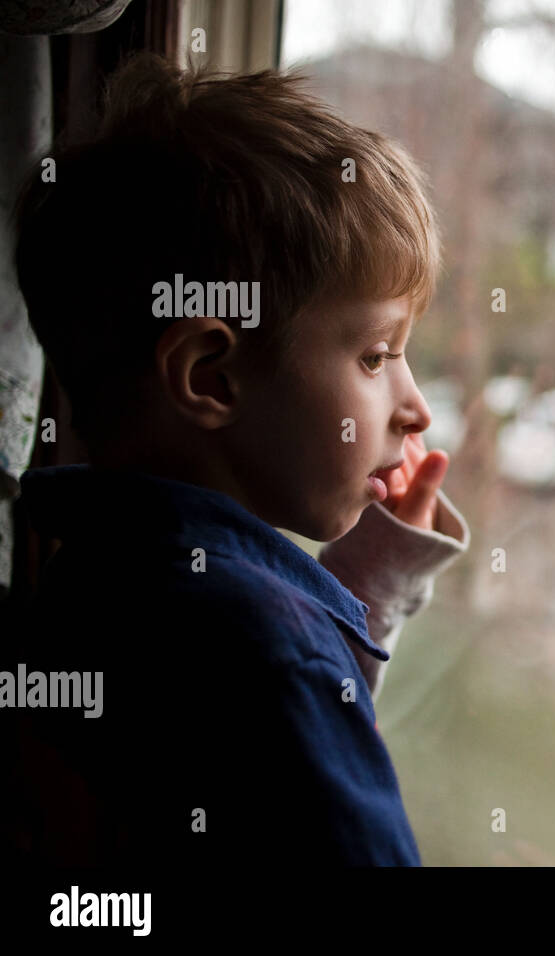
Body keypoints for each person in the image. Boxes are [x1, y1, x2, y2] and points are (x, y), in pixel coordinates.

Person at [0, 51, 469, 865]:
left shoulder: (93, 575)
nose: (416, 408)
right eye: (375, 355)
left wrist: (373, 579)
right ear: (209, 375)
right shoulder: (268, 656)